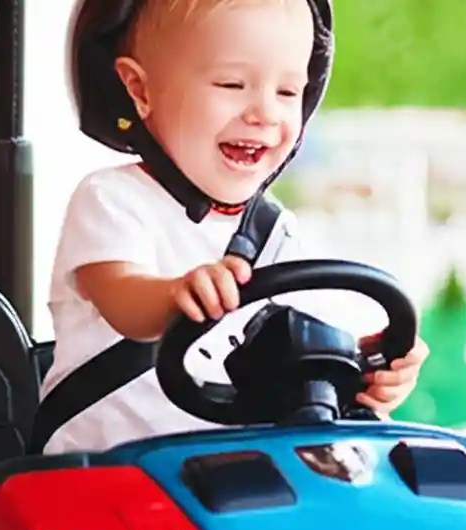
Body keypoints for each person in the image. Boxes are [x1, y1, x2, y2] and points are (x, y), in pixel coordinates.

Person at [40, 0, 428, 455]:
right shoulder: (112, 199)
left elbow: (301, 346)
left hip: (235, 481)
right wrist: (173, 296)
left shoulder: (276, 232)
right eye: (232, 84)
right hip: (106, 479)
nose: (264, 113)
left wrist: (367, 369)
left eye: (287, 93)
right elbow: (123, 299)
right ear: (139, 90)